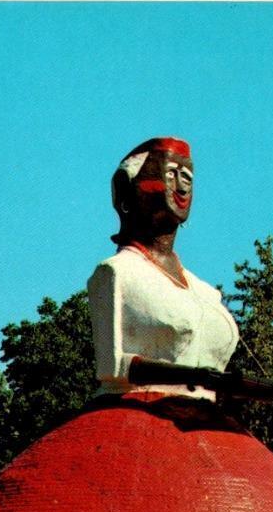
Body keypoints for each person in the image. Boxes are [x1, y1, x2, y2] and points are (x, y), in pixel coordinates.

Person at [87, 137, 240, 401]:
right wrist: (191, 376)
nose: (181, 186)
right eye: (170, 174)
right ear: (127, 190)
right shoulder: (115, 273)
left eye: (188, 177)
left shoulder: (206, 292)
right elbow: (112, 368)